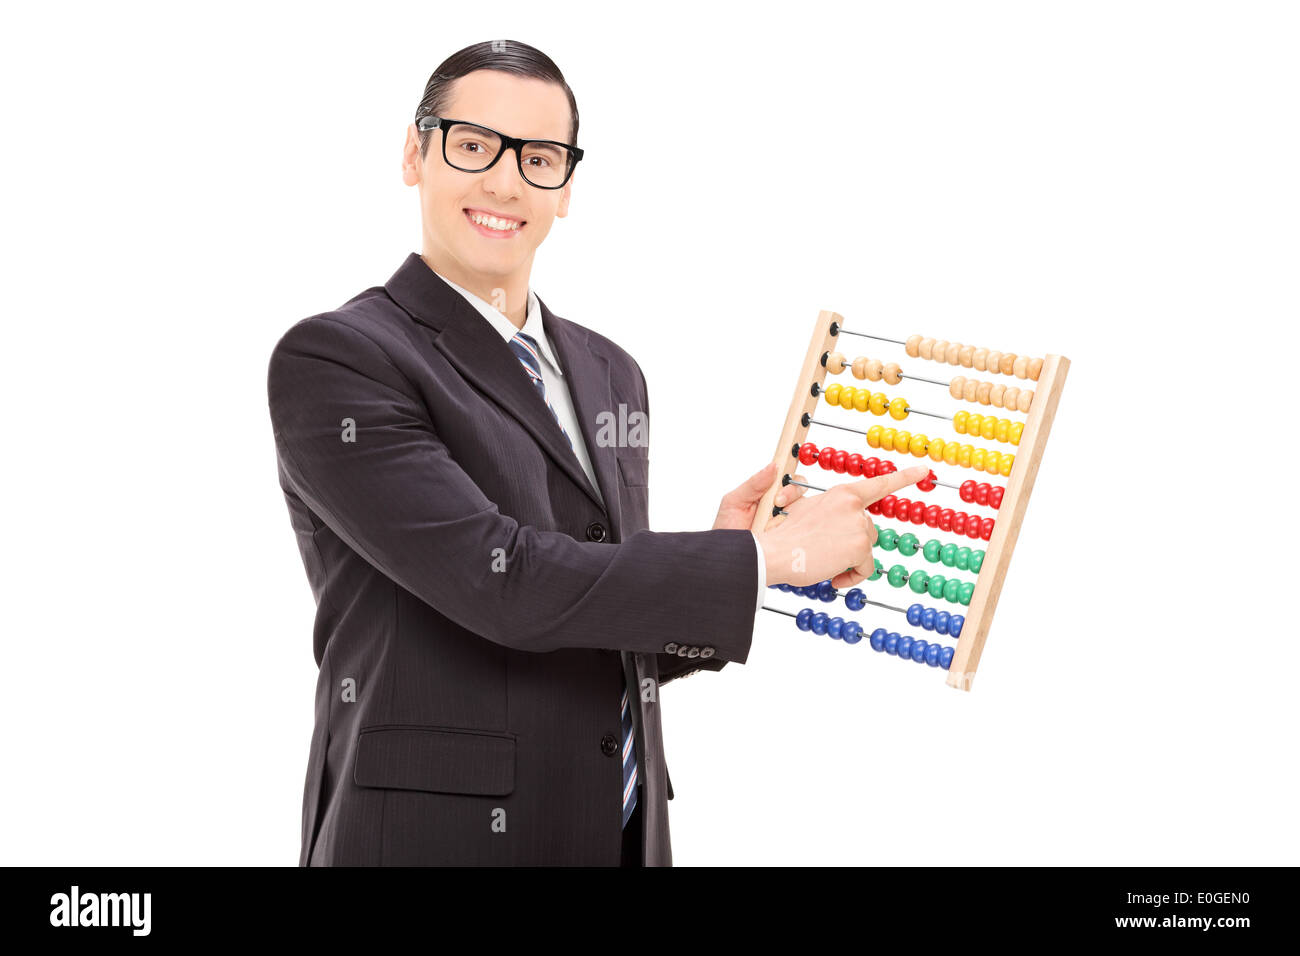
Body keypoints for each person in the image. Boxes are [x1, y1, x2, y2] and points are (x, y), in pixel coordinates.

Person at [266, 38, 927, 867]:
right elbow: (505, 582)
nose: (506, 182)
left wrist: (724, 551)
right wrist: (765, 561)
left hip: (614, 835)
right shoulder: (338, 360)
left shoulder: (612, 373)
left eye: (539, 158)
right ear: (415, 152)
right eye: (473, 145)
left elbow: (594, 623)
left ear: (567, 185)